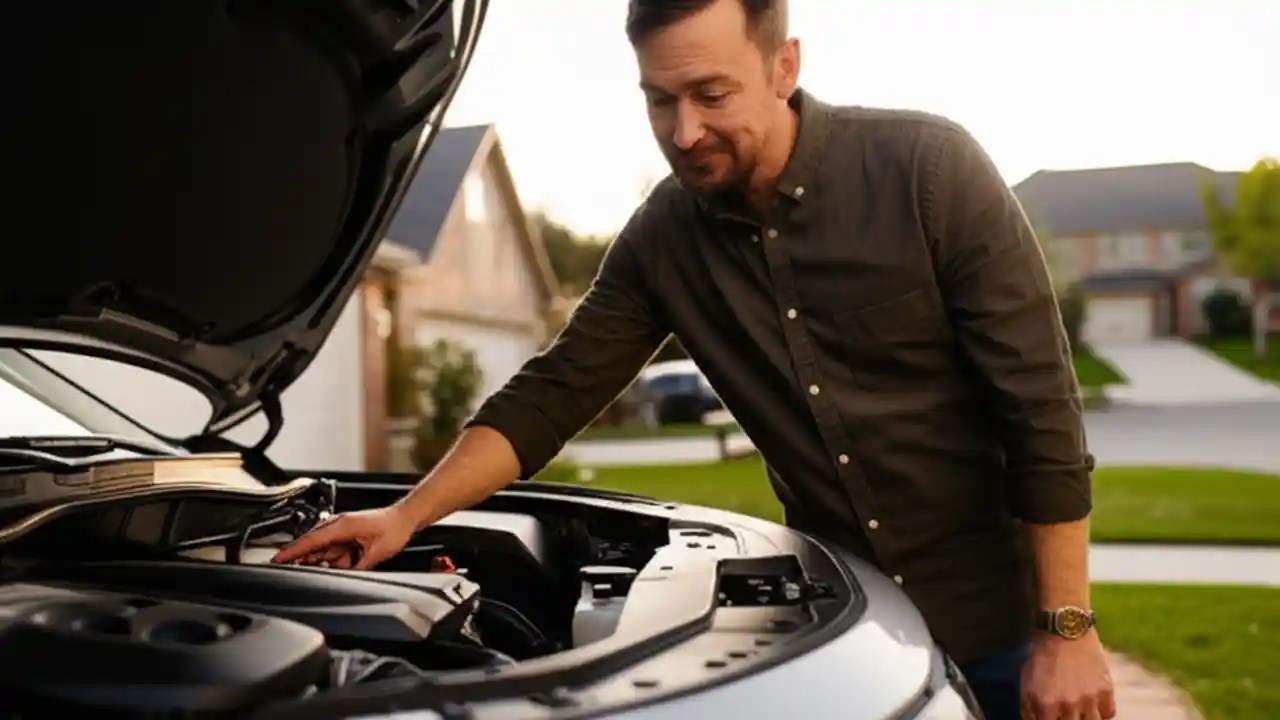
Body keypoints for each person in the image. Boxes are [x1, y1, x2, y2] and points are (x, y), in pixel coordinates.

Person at [273, 1, 1116, 717]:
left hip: (1008, 635)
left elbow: (1039, 413)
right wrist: (406, 517)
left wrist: (1066, 632)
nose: (684, 131)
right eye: (659, 100)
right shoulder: (662, 240)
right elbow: (554, 393)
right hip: (848, 637)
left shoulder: (931, 174)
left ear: (784, 65)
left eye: (712, 94)